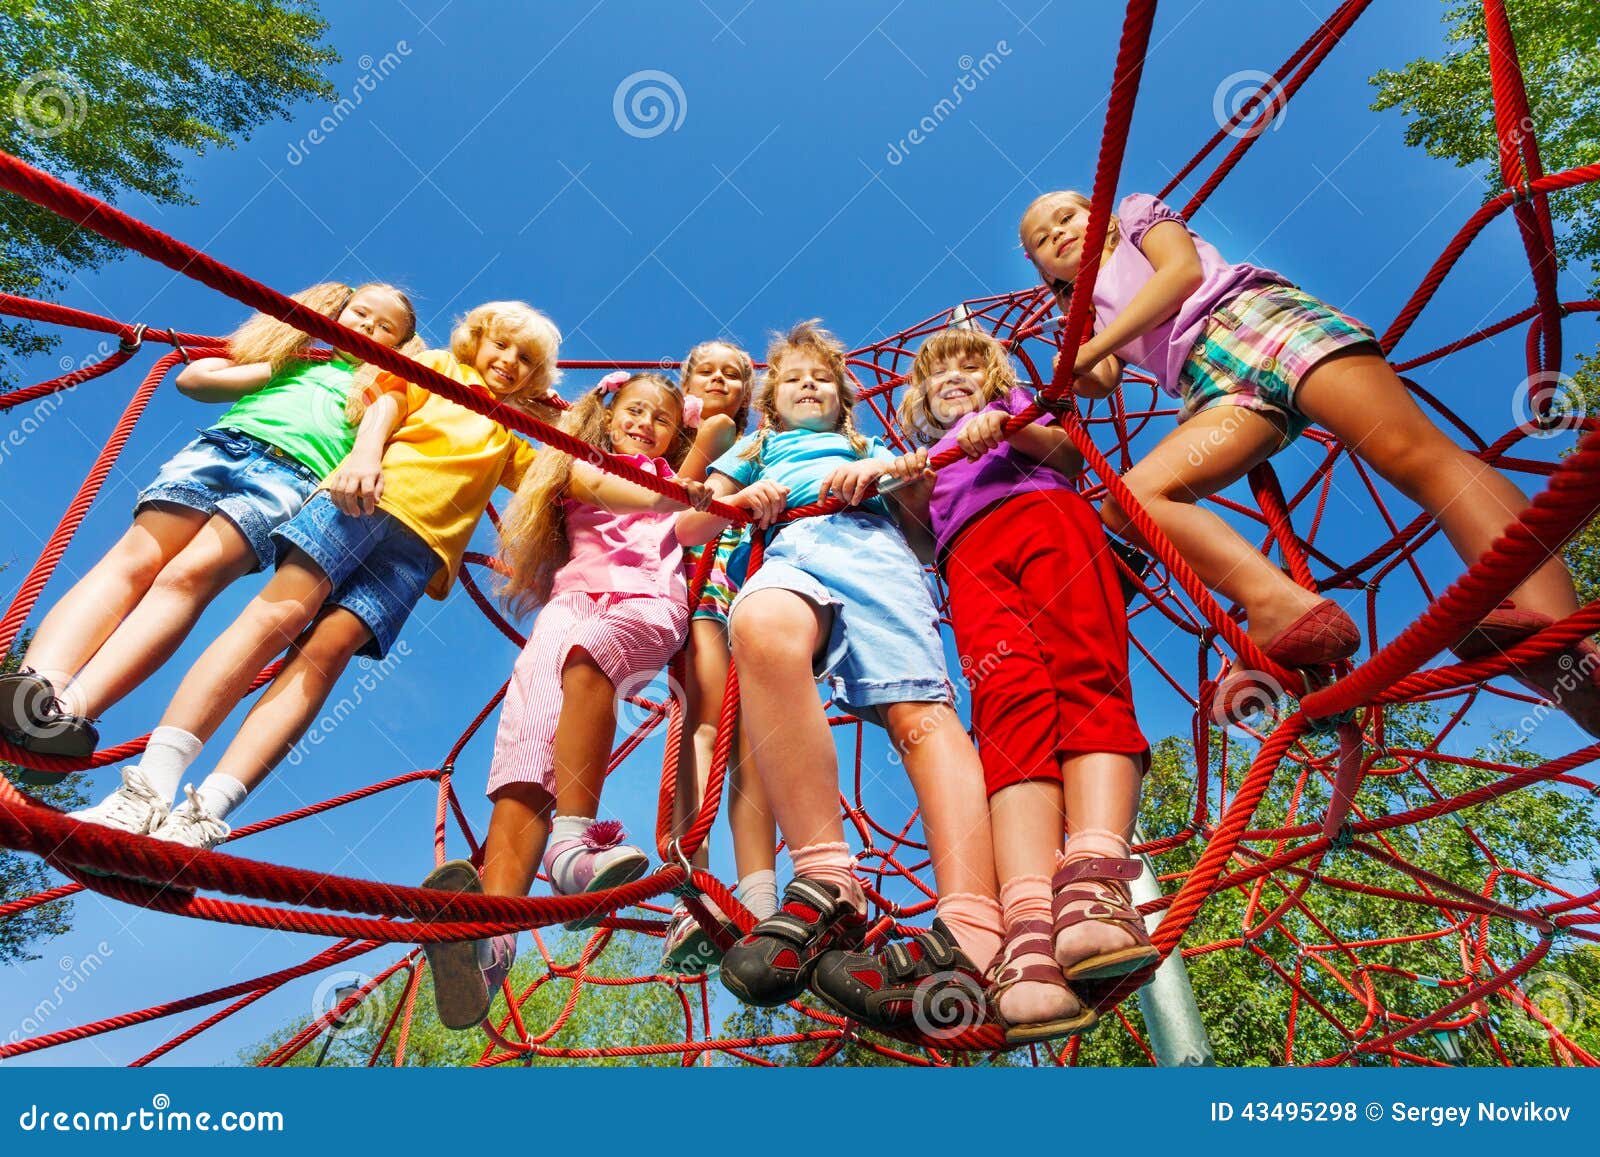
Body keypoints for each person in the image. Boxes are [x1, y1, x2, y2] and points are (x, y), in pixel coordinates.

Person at [1019, 190, 1598, 734]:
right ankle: (1281, 606)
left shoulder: (1138, 214)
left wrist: (1090, 346)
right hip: (1213, 391)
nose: (1060, 233)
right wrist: (1064, 352)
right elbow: (1098, 380)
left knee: (1409, 453)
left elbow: (1181, 275)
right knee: (1131, 502)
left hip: (1257, 321)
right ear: (1045, 272)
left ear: (1104, 217)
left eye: (1068, 216)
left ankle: (1550, 624)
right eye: (1044, 240)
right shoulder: (1083, 316)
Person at [68, 302, 561, 849]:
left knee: (325, 655)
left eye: (526, 360)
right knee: (274, 618)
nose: (509, 362)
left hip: (420, 552)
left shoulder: (512, 436)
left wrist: (567, 426)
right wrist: (365, 456)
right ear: (476, 341)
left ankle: (205, 812)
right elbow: (386, 404)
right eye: (502, 345)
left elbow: (556, 481)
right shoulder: (443, 368)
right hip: (364, 501)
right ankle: (148, 789)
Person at [419, 371, 785, 1031]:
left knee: (594, 651)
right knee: (523, 757)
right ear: (610, 415)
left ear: (675, 434)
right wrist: (698, 458)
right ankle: (490, 944)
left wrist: (735, 492)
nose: (645, 422)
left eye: (662, 418)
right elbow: (630, 494)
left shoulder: (674, 485)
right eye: (634, 410)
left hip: (643, 606)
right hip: (569, 604)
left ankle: (571, 845)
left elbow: (692, 526)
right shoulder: (581, 466)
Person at [677, 319, 1002, 1032]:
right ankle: (828, 877)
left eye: (821, 377)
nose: (807, 385)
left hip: (872, 550)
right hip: (791, 545)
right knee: (757, 623)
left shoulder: (867, 446)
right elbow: (689, 528)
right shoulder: (757, 447)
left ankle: (975, 915)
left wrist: (886, 476)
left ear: (844, 396)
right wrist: (742, 501)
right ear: (771, 399)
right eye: (792, 377)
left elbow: (921, 533)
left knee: (918, 714)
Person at [0, 282, 418, 756]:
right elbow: (194, 382)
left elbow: (387, 433)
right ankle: (39, 683)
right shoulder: (295, 360)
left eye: (386, 328)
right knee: (135, 557)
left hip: (292, 479)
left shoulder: (385, 389)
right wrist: (276, 358)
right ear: (335, 314)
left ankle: (72, 708)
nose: (368, 327)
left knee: (189, 575)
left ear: (399, 347)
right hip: (223, 448)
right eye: (360, 313)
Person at [878, 325, 1153, 1042]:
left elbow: (1070, 457)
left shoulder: (1023, 411)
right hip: (967, 557)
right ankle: (1029, 917)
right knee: (1006, 705)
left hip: (1047, 517)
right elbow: (919, 537)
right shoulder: (931, 460)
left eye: (971, 366)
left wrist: (1012, 429)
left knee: (1083, 668)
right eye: (940, 376)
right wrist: (911, 492)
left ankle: (1093, 875)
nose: (955, 379)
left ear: (996, 380)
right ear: (921, 400)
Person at [662, 340, 778, 972]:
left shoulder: (756, 442)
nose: (719, 380)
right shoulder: (667, 431)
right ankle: (694, 892)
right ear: (684, 378)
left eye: (734, 375)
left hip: (749, 575)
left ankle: (759, 893)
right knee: (702, 723)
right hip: (695, 580)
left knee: (755, 736)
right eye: (705, 369)